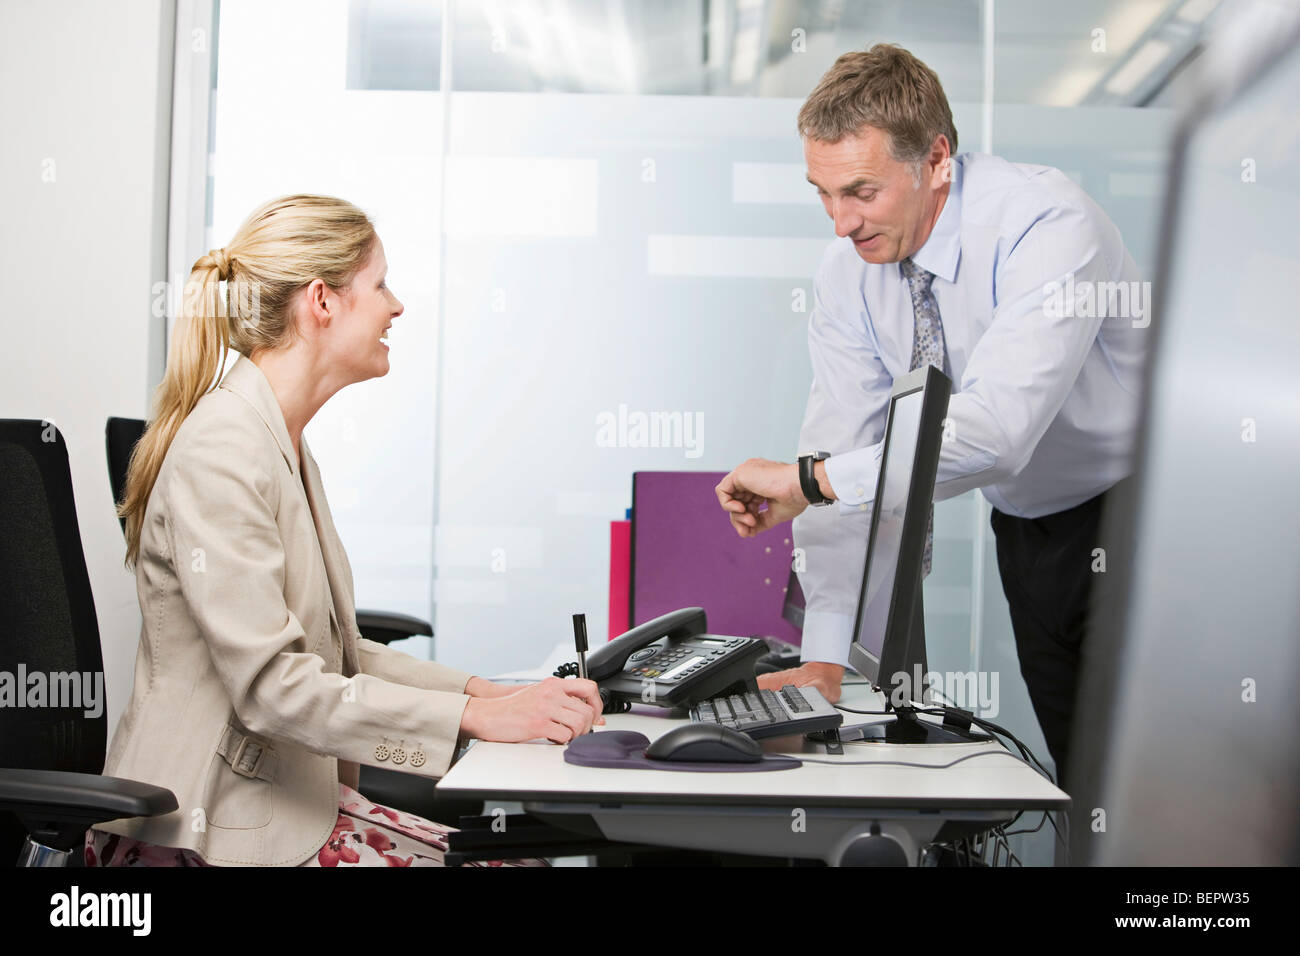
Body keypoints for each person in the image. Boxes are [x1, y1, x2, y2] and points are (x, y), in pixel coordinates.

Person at [87, 194, 603, 867]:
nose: (396, 305)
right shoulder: (223, 450)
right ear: (322, 302)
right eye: (380, 283)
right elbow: (273, 687)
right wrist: (473, 721)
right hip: (204, 830)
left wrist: (483, 694)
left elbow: (338, 653)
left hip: (279, 803)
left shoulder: (282, 443)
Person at [714, 45, 1146, 788]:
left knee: (1157, 794)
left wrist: (807, 481)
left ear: (936, 158)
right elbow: (842, 445)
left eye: (861, 192)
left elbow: (995, 435)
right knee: (1085, 786)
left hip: (1146, 523)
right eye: (823, 193)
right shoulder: (850, 273)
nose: (841, 222)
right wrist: (823, 653)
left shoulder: (1046, 224)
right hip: (1028, 531)